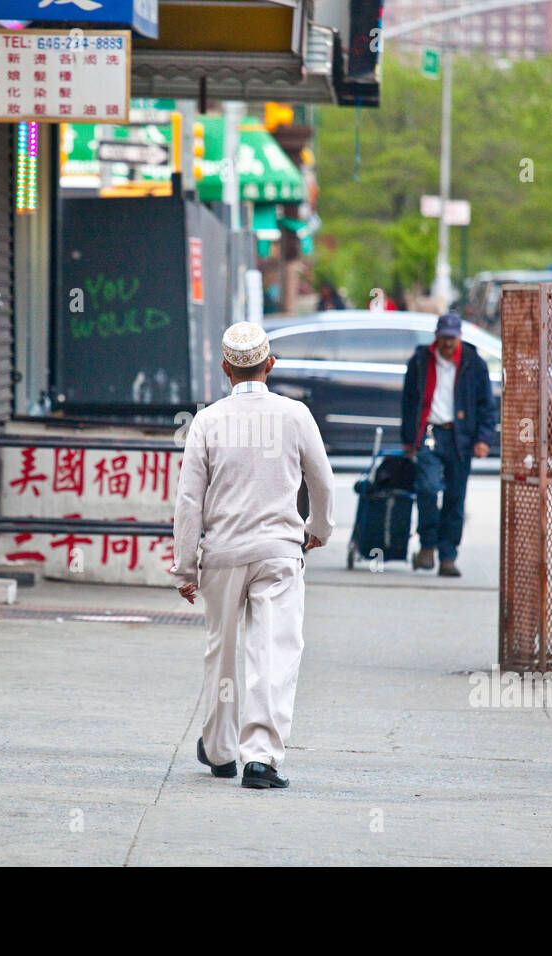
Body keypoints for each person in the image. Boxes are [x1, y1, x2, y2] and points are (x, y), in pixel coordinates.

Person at [172, 321, 336, 787]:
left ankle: (220, 751)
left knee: (221, 651)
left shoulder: (207, 421)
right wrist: (318, 530)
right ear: (271, 365)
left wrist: (185, 567)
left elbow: (189, 501)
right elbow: (322, 482)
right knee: (273, 652)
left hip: (221, 554)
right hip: (278, 553)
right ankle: (260, 758)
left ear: (225, 370)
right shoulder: (295, 415)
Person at [400, 311, 498, 577]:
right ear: (436, 336)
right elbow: (408, 401)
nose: (447, 343)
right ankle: (427, 545)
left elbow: (487, 405)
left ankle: (448, 556)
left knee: (455, 497)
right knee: (427, 489)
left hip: (460, 436)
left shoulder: (473, 363)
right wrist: (408, 438)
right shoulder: (420, 361)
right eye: (443, 337)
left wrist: (483, 439)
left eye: (452, 338)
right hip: (430, 433)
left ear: (459, 338)